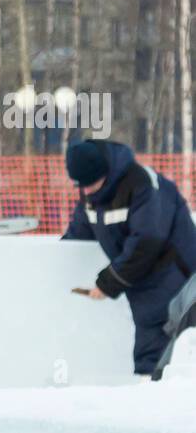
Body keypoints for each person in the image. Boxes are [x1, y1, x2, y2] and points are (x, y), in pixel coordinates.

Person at [62, 137, 196, 377]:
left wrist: (108, 283)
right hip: (142, 282)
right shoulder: (91, 195)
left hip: (175, 275)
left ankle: (158, 399)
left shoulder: (142, 185)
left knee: (161, 350)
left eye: (91, 183)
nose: (86, 190)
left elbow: (147, 240)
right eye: (81, 185)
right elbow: (79, 233)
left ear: (105, 172)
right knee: (151, 351)